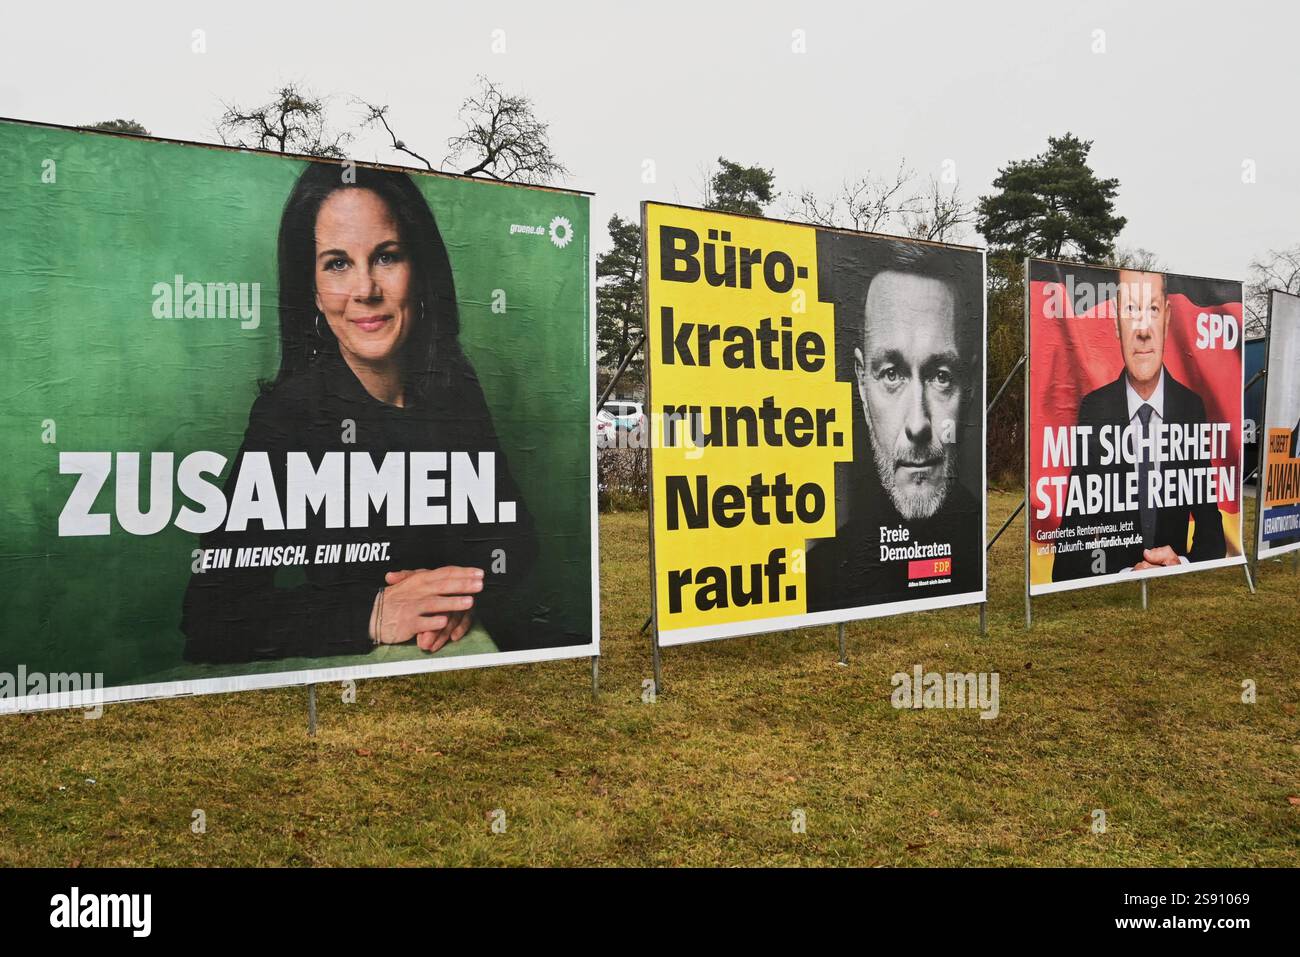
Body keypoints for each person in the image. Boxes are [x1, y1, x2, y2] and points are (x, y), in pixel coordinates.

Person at [182, 162, 537, 663]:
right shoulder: (288, 417)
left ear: (421, 271)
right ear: (312, 288)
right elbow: (211, 618)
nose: (365, 289)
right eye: (337, 263)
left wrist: (452, 598)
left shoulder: (456, 388)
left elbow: (516, 542)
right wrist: (373, 611)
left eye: (387, 256)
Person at [807, 244, 982, 611]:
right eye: (891, 374)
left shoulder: (978, 555)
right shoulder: (819, 579)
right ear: (860, 383)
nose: (918, 424)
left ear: (970, 385)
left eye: (940, 376)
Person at [1051, 270, 1226, 582]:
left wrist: (1182, 564)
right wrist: (1120, 573)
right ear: (1117, 323)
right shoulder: (1094, 408)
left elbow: (1211, 533)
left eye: (1153, 309)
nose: (1143, 329)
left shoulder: (1190, 407)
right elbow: (1070, 545)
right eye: (1131, 310)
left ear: (1167, 319)